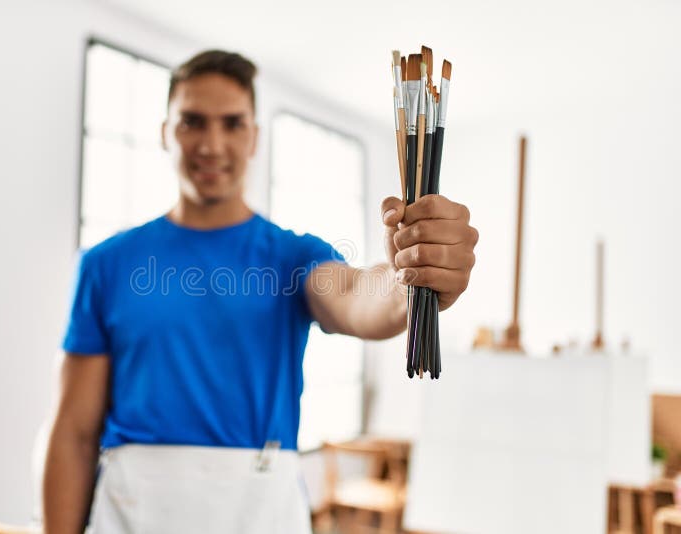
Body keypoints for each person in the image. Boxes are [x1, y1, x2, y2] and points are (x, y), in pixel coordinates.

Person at [43, 50, 478, 534]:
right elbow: (74, 435)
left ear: (254, 138)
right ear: (166, 131)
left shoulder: (293, 258)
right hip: (133, 510)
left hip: (257, 511)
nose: (212, 144)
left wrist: (407, 278)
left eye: (232, 124)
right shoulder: (105, 264)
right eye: (192, 122)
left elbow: (356, 296)